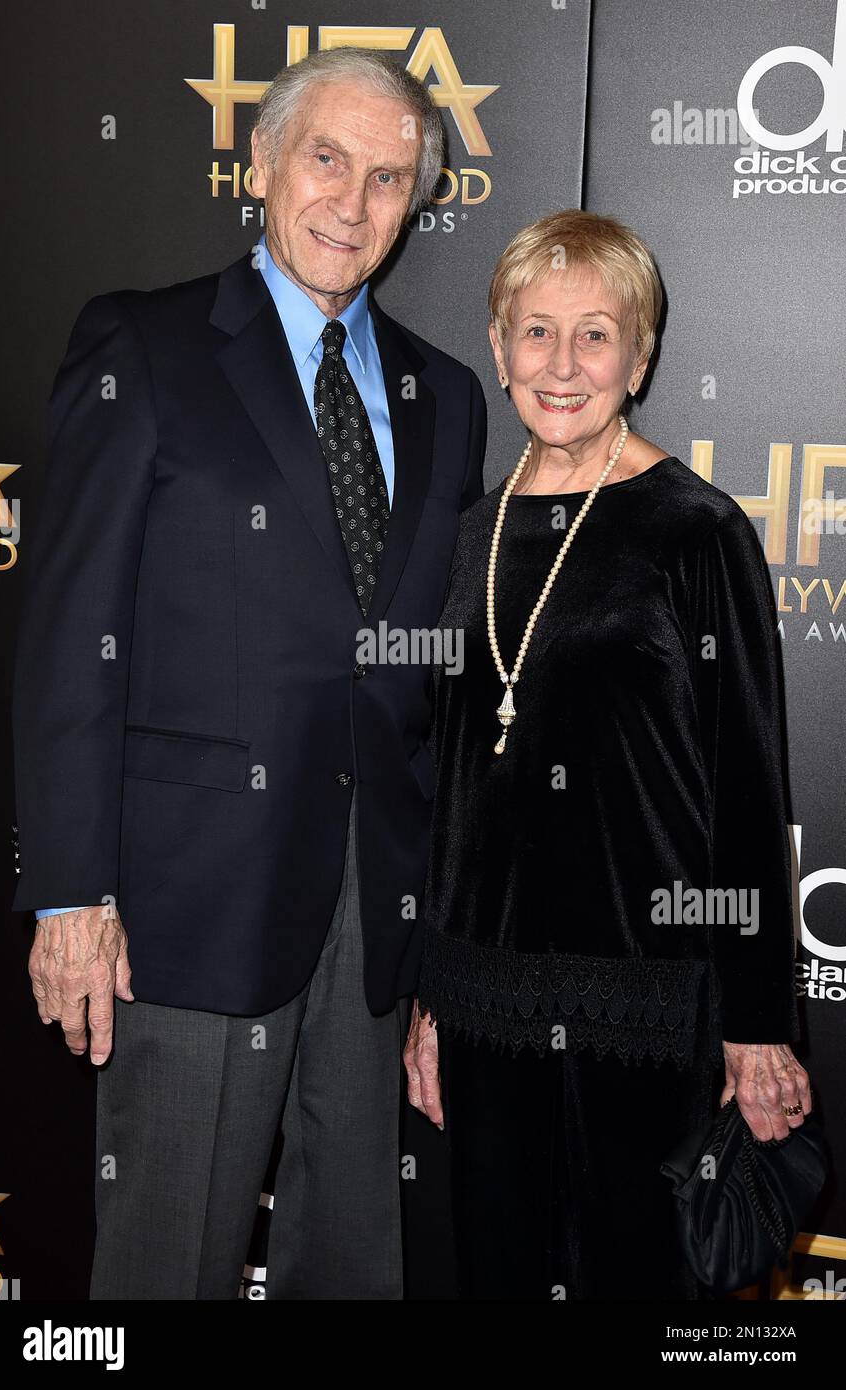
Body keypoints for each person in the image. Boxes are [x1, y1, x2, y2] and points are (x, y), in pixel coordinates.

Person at [11, 47, 486, 1300]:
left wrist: (438, 942)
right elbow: (69, 633)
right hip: (184, 903)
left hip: (371, 910)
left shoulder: (447, 395)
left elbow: (430, 682)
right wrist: (69, 891)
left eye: (391, 177)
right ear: (264, 161)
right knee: (167, 1260)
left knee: (349, 1262)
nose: (353, 200)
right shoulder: (147, 342)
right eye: (327, 158)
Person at [403, 209, 811, 1300]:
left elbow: (744, 782)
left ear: (642, 354)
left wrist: (758, 1026)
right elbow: (454, 784)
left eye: (597, 334)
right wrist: (435, 995)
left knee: (637, 1279)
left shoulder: (695, 528)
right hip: (488, 999)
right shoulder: (473, 532)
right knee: (495, 1273)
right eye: (537, 332)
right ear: (497, 346)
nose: (563, 364)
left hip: (646, 999)